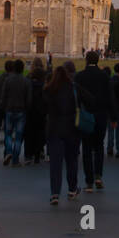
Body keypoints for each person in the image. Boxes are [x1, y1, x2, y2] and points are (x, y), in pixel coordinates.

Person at [75, 51, 115, 192]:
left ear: (86, 60)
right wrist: (114, 117)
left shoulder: (79, 76)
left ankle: (89, 182)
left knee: (86, 148)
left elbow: (76, 99)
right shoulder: (104, 77)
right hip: (101, 116)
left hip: (86, 116)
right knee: (98, 147)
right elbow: (111, 98)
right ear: (98, 60)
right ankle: (98, 176)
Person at [43, 62, 82, 205]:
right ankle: (72, 189)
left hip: (54, 129)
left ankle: (55, 193)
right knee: (71, 161)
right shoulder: (73, 88)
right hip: (71, 129)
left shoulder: (48, 90)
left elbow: (43, 108)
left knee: (55, 163)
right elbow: (89, 100)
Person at [1, 58, 31, 165]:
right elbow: (28, 99)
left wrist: (4, 107)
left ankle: (9, 151)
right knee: (18, 136)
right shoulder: (26, 81)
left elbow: (4, 96)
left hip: (9, 110)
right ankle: (15, 159)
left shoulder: (8, 80)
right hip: (21, 111)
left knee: (8, 134)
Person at [24, 57, 47, 164]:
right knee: (40, 132)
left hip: (30, 110)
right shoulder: (45, 81)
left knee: (29, 132)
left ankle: (28, 154)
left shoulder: (28, 78)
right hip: (41, 110)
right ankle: (39, 152)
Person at [104, 65, 118, 157]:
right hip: (110, 110)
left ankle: (97, 147)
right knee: (111, 131)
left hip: (102, 110)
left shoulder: (100, 84)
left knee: (100, 130)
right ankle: (110, 148)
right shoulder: (113, 83)